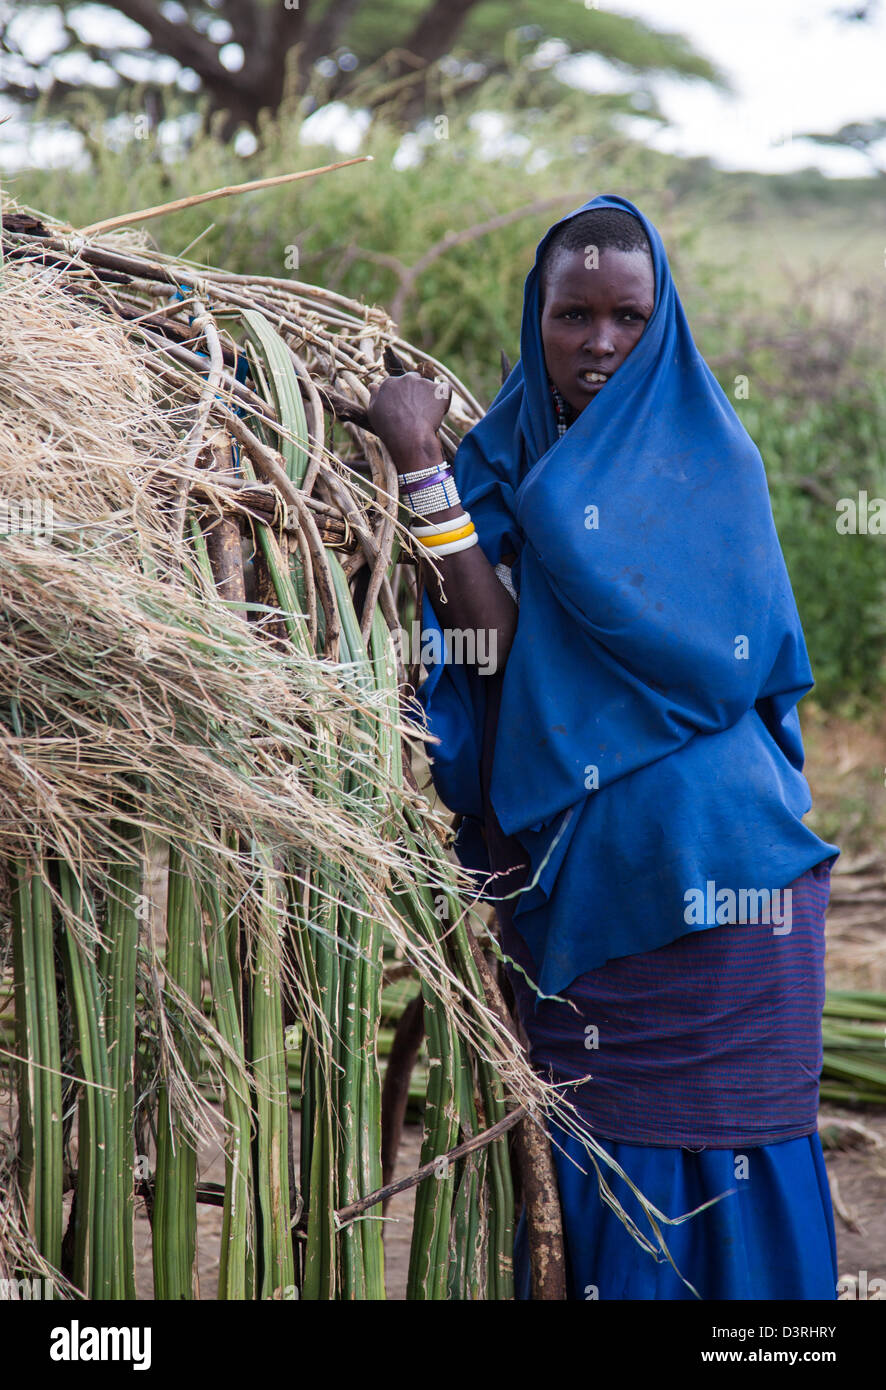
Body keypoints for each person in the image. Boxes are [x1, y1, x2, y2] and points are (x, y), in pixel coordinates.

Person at [367, 194, 840, 1301]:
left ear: (660, 316)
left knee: (718, 1163)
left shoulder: (704, 457)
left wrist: (423, 473)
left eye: (626, 316)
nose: (599, 345)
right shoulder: (515, 448)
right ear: (536, 314)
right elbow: (483, 647)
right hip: (578, 886)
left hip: (722, 886)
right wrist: (443, 469)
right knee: (591, 1165)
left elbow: (525, 651)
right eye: (571, 314)